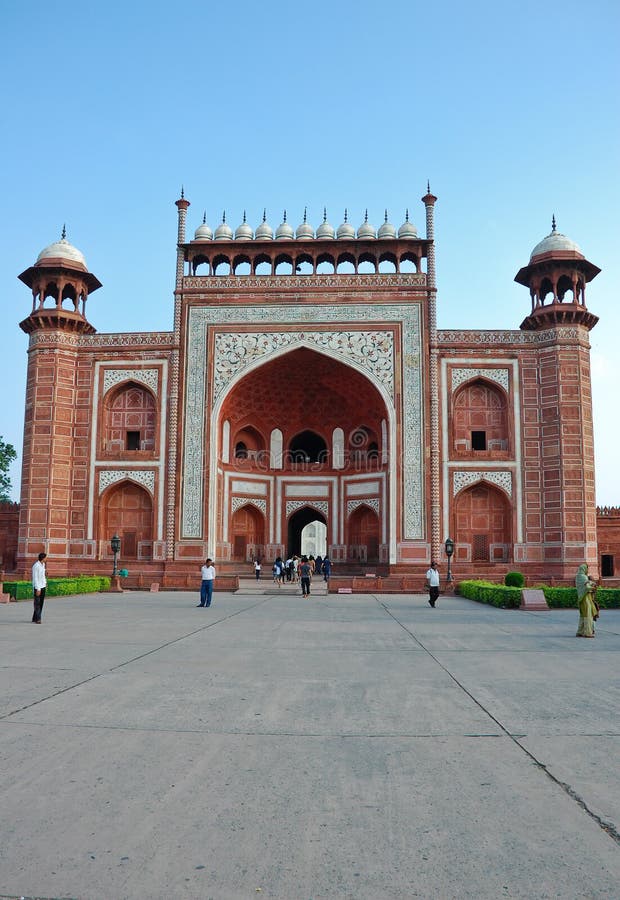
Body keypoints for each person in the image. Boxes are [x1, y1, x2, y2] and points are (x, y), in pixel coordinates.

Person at [575, 563, 597, 638]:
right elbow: (587, 588)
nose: (587, 570)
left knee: (583, 615)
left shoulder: (577, 576)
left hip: (581, 598)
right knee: (588, 615)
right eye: (587, 568)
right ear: (584, 569)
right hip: (586, 598)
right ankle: (588, 633)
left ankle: (580, 632)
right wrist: (593, 586)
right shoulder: (584, 577)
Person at [32, 551, 47, 623]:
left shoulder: (43, 564)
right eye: (46, 558)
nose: (46, 559)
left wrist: (45, 583)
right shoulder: (36, 566)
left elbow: (43, 576)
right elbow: (35, 578)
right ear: (43, 558)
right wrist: (38, 589)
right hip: (38, 587)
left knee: (41, 603)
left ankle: (35, 617)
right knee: (37, 603)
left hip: (43, 586)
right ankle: (38, 619)